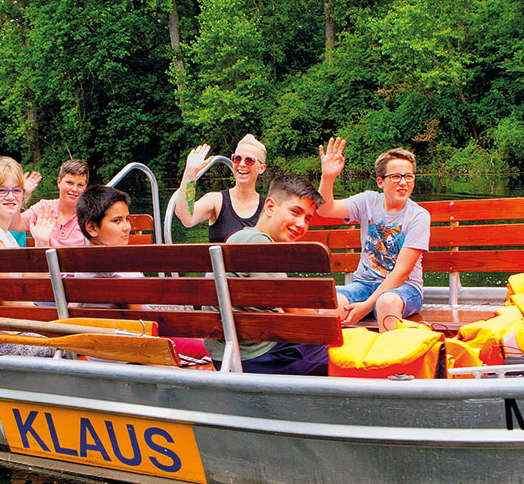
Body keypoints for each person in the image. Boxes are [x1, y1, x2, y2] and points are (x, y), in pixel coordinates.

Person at [205, 171, 329, 375]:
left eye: (308, 219)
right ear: (270, 206)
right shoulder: (260, 245)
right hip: (259, 358)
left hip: (226, 355)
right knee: (338, 352)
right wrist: (326, 316)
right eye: (295, 212)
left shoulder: (238, 238)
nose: (301, 224)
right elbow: (298, 314)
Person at [76, 185, 211, 366]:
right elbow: (145, 320)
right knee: (216, 351)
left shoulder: (80, 262)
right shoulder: (111, 266)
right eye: (117, 221)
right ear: (92, 228)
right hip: (133, 351)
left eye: (127, 219)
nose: (127, 227)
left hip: (101, 351)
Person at [318, 138, 430, 332]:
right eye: (395, 177)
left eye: (409, 177)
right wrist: (328, 177)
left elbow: (401, 272)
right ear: (381, 182)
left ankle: (390, 361)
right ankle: (332, 361)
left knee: (385, 303)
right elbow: (325, 209)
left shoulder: (419, 216)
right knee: (331, 306)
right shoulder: (367, 202)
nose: (403, 183)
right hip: (363, 285)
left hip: (404, 289)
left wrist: (366, 307)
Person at [174, 135, 267, 242]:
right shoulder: (216, 201)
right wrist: (190, 172)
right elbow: (187, 218)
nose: (242, 164)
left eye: (249, 160)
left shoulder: (268, 209)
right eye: (237, 158)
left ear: (261, 168)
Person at [13, 159, 90, 247]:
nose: (74, 189)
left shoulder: (91, 215)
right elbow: (14, 224)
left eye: (80, 185)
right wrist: (20, 195)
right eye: (69, 183)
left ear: (85, 187)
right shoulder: (44, 208)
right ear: (59, 182)